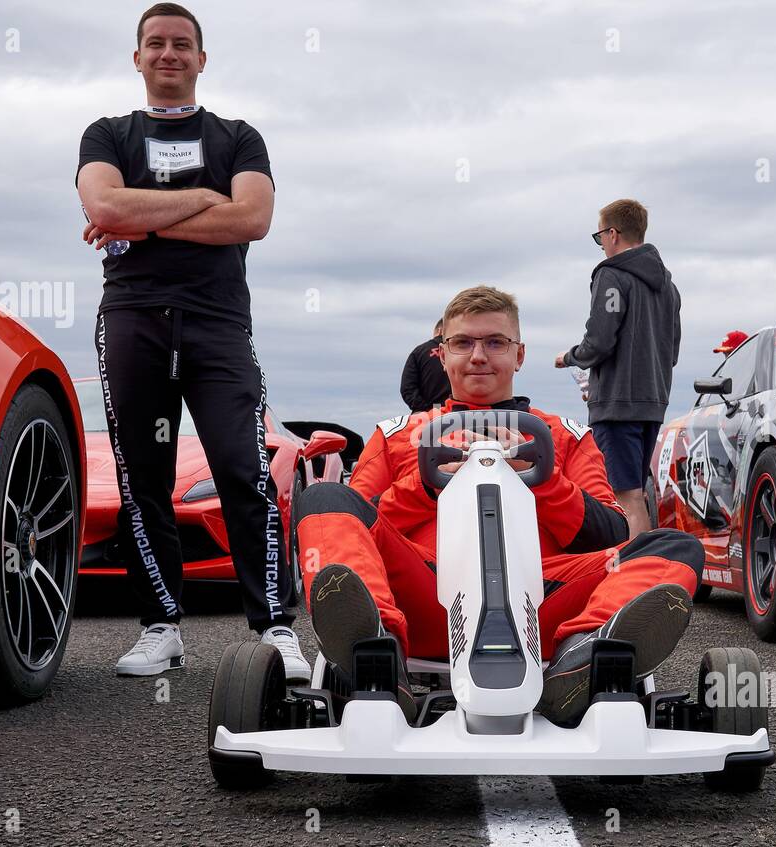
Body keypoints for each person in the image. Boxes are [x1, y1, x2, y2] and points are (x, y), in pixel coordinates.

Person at [294, 286, 705, 728]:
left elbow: (610, 533)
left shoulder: (565, 436)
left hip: (546, 599)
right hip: (424, 596)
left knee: (675, 547)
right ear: (441, 354)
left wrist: (543, 479)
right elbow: (359, 519)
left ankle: (585, 657)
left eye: (495, 343)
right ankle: (375, 650)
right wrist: (427, 482)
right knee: (323, 499)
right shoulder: (398, 434)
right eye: (463, 343)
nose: (478, 356)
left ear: (519, 355)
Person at [75, 3, 307, 680]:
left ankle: (274, 627)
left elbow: (254, 218)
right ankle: (160, 626)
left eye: (182, 44)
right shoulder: (107, 134)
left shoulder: (238, 137)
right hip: (133, 319)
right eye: (156, 43)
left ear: (201, 59)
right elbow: (106, 208)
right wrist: (208, 201)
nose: (168, 53)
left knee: (243, 468)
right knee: (143, 480)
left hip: (218, 324)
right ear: (138, 57)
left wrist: (146, 216)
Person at [555, 199, 682, 541]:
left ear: (612, 234)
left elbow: (599, 340)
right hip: (653, 401)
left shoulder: (610, 275)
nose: (602, 246)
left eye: (600, 238)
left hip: (617, 405)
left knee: (622, 496)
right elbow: (671, 351)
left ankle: (637, 578)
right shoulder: (668, 287)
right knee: (635, 492)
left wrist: (570, 357)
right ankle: (648, 572)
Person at [399, 319, 451, 412]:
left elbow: (407, 388)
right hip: (460, 412)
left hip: (431, 412)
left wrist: (425, 409)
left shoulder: (419, 352)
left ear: (439, 331)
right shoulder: (462, 351)